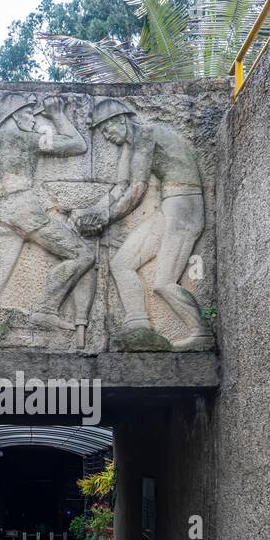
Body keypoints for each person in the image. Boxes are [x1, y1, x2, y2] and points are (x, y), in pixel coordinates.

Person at [73, 98, 214, 351]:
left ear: (119, 120)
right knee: (121, 263)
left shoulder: (146, 135)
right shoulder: (134, 142)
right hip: (169, 207)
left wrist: (105, 218)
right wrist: (93, 211)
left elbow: (137, 189)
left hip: (184, 209)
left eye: (107, 130)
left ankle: (201, 333)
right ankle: (138, 325)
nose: (107, 136)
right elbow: (121, 187)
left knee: (164, 282)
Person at [0, 93, 96, 331]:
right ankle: (45, 310)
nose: (33, 119)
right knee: (83, 255)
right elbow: (78, 144)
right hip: (27, 214)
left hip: (0, 216)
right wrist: (58, 114)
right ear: (15, 116)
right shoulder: (26, 139)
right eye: (28, 113)